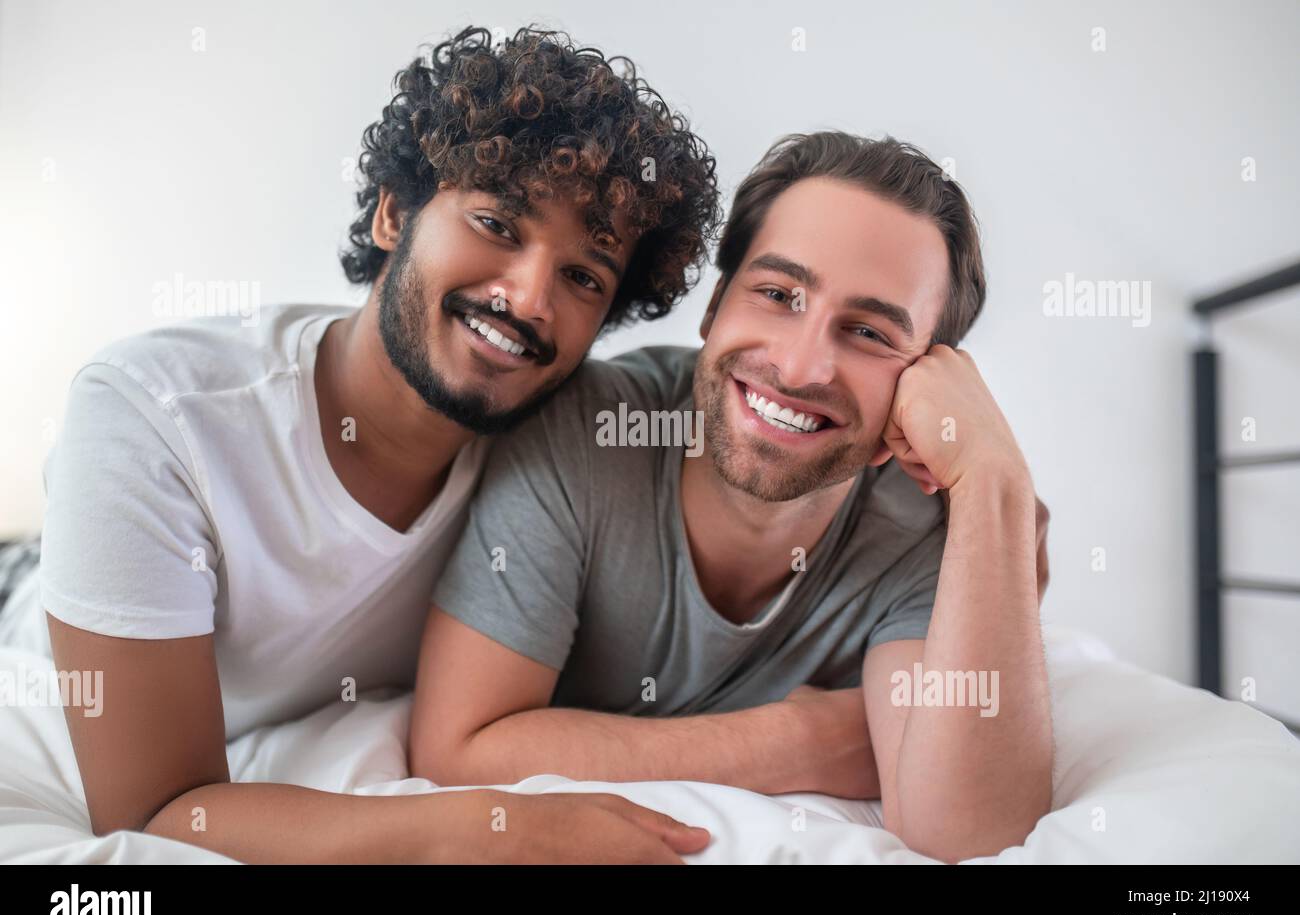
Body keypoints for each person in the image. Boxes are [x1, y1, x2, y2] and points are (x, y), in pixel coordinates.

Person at [0, 25, 723, 864]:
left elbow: (744, 400)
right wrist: (491, 827)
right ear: (393, 212)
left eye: (584, 277)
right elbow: (159, 816)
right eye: (496, 222)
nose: (529, 298)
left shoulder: (566, 446)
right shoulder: (153, 414)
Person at [408, 131, 1055, 864]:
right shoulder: (584, 431)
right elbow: (455, 752)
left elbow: (965, 833)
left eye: (869, 332)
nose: (799, 365)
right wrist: (801, 741)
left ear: (928, 377)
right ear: (715, 308)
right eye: (778, 295)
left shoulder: (922, 521)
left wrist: (995, 480)